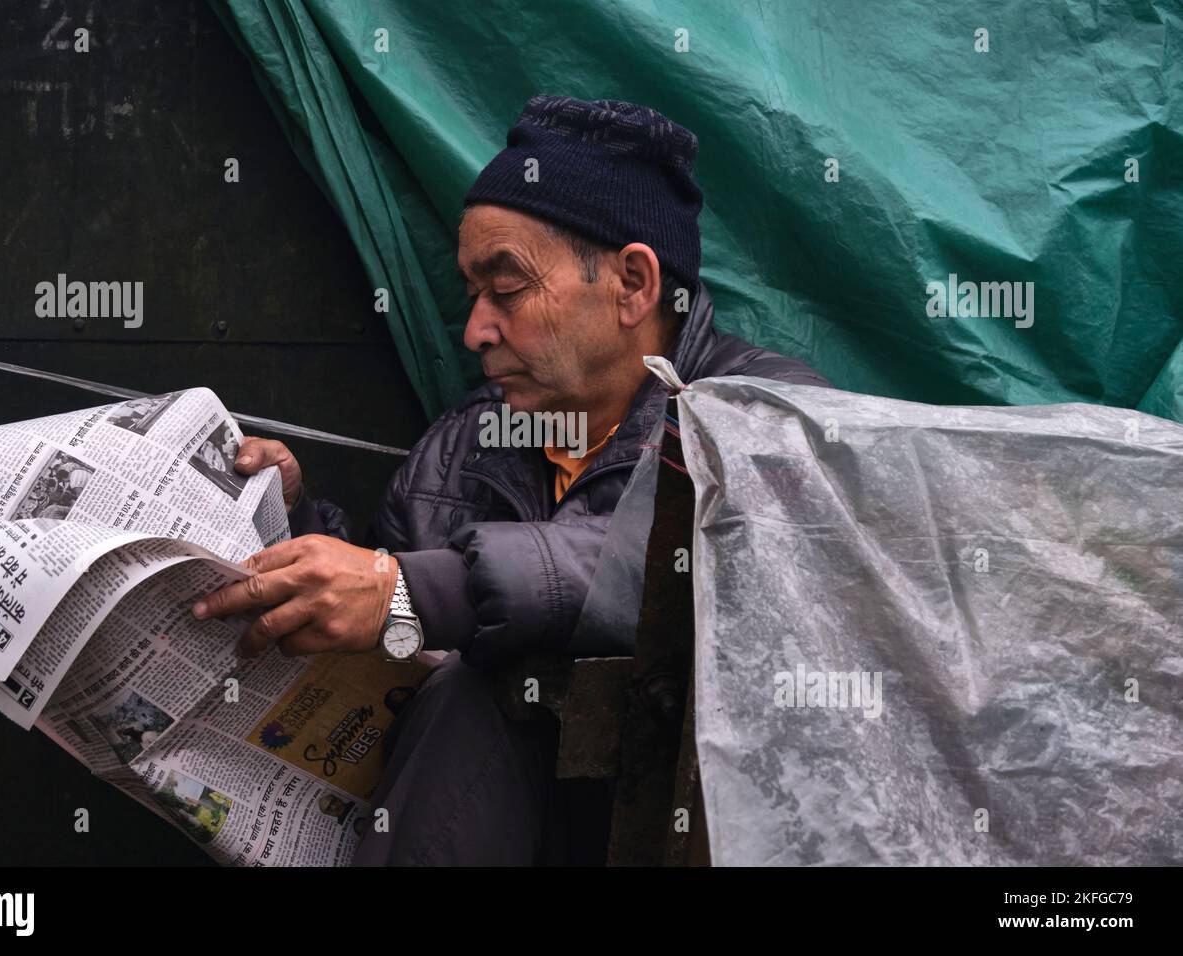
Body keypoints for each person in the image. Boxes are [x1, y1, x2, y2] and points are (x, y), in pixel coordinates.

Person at [192, 95, 831, 865]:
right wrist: (289, 524)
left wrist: (409, 589)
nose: (475, 331)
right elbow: (380, 623)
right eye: (471, 293)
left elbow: (674, 561)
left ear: (632, 283)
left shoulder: (762, 412)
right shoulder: (464, 444)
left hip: (671, 837)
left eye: (509, 287)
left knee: (483, 688)